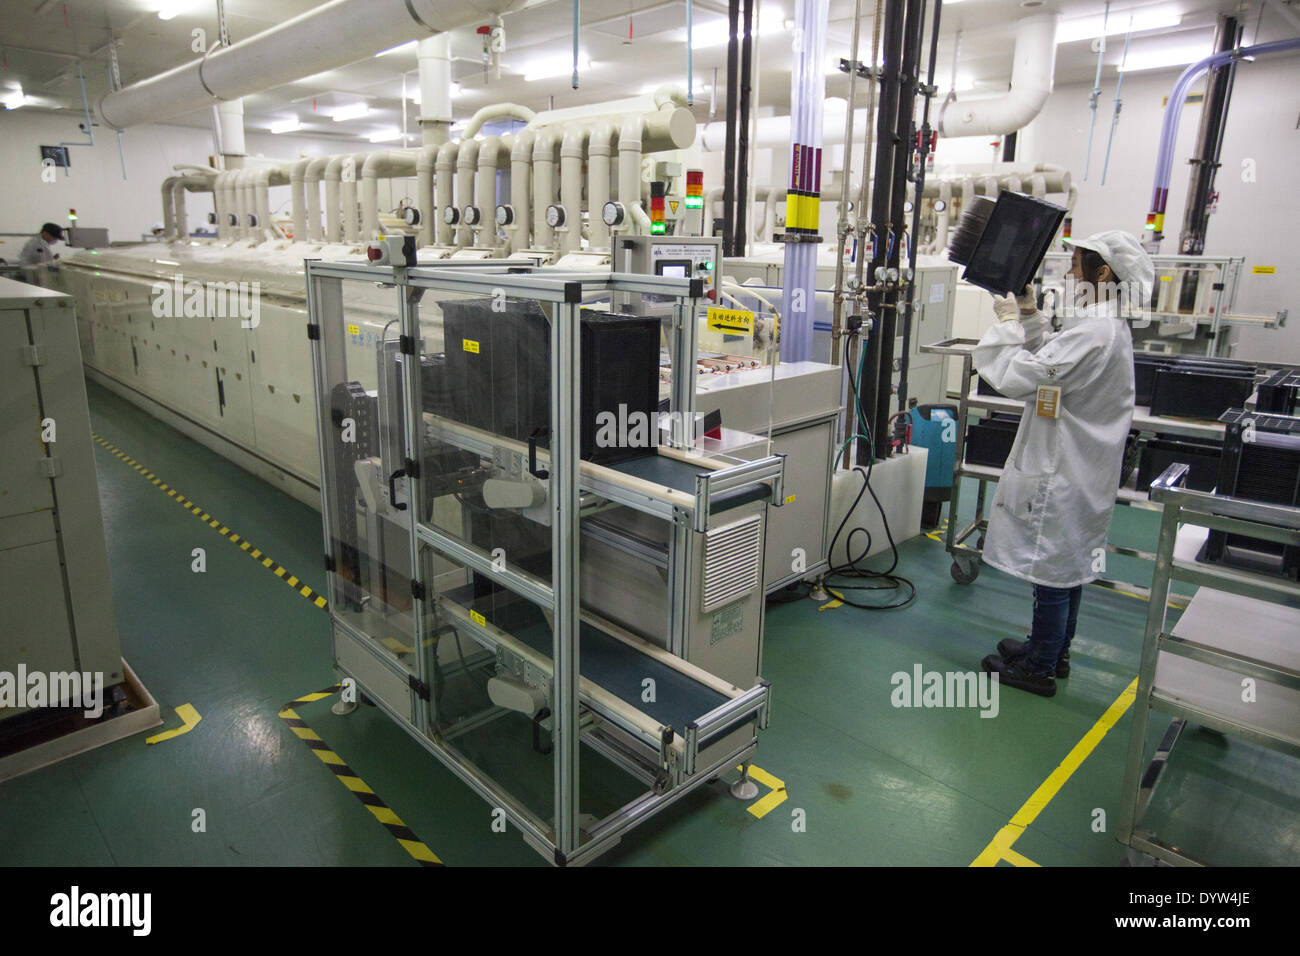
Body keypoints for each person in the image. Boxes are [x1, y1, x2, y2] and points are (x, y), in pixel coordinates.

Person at [972, 230, 1154, 697]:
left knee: (1052, 567)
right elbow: (1052, 350)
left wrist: (1010, 323)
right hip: (1081, 465)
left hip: (1066, 466)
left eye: (1076, 264)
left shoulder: (1097, 330)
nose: (1071, 272)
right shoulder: (1102, 325)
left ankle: (1039, 667)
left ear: (1103, 272)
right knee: (1067, 564)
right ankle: (1053, 650)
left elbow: (1024, 374)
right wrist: (1032, 316)